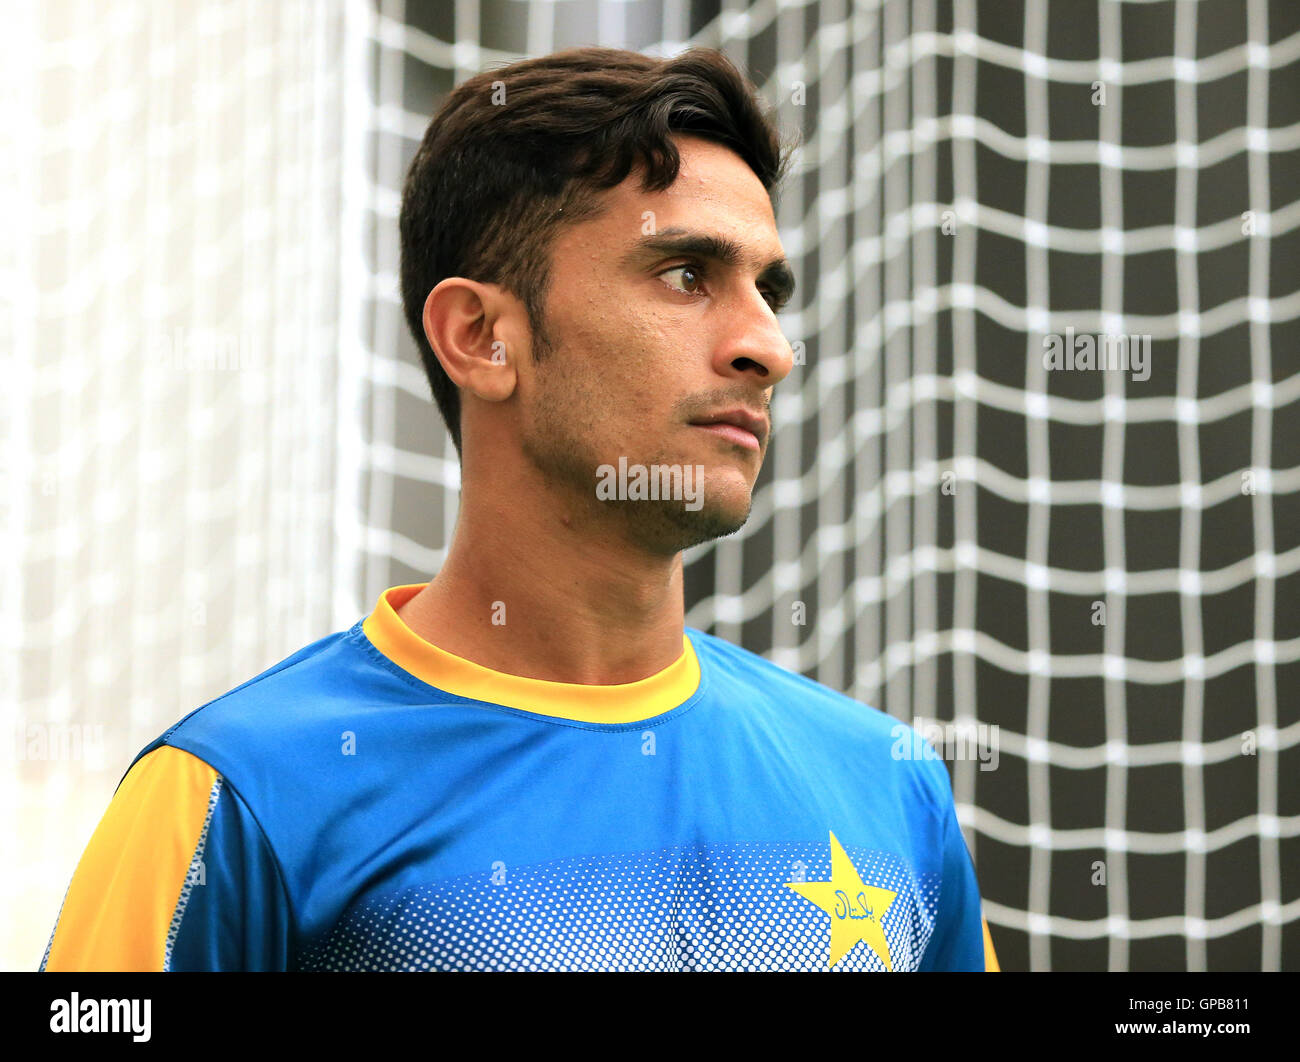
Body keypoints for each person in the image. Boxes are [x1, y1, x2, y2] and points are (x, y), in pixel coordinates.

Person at [40, 46, 998, 972]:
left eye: (768, 290)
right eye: (685, 276)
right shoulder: (234, 800)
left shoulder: (887, 789)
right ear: (482, 337)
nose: (769, 347)